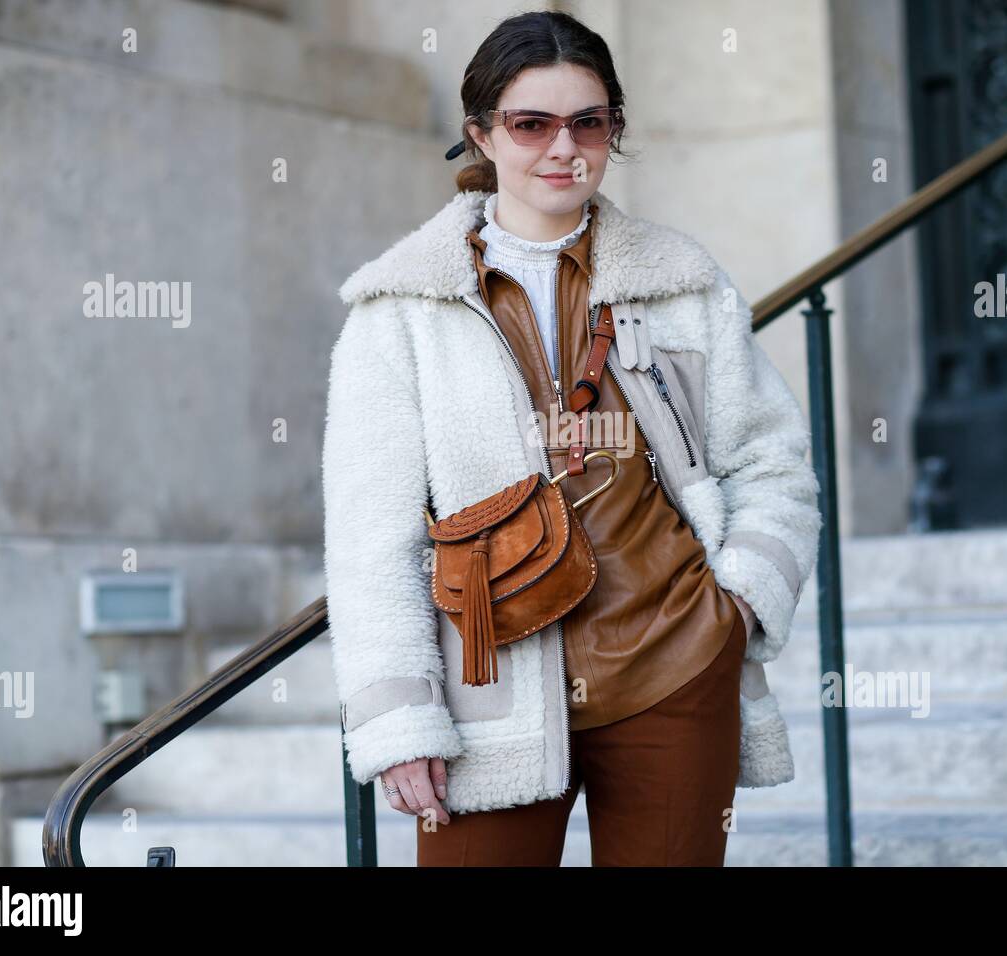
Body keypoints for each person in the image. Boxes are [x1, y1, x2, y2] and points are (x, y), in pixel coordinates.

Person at [322, 10, 822, 866]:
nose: (564, 148)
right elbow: (372, 539)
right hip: (488, 688)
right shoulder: (400, 310)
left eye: (589, 122)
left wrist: (733, 611)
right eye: (531, 123)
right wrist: (400, 717)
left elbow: (771, 462)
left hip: (673, 667)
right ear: (480, 133)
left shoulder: (681, 282)